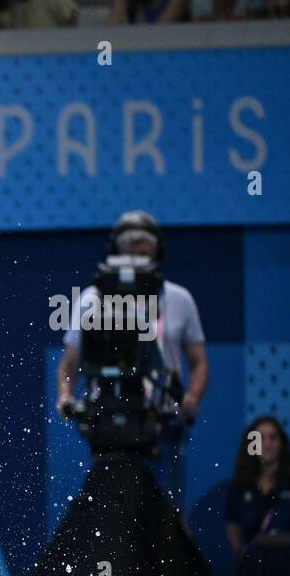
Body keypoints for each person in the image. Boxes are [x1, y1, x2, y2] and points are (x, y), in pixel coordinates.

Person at [56, 210, 209, 510]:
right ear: (115, 253)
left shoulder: (179, 299)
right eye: (130, 252)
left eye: (144, 252)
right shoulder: (91, 299)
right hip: (108, 419)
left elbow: (199, 363)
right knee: (113, 513)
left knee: (167, 515)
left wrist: (191, 398)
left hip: (162, 421)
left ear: (158, 253)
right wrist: (65, 395)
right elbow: (69, 362)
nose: (137, 259)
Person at [226, 416, 290, 576]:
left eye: (273, 437)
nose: (267, 444)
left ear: (281, 444)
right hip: (252, 575)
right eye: (260, 438)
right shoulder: (239, 489)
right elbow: (234, 532)